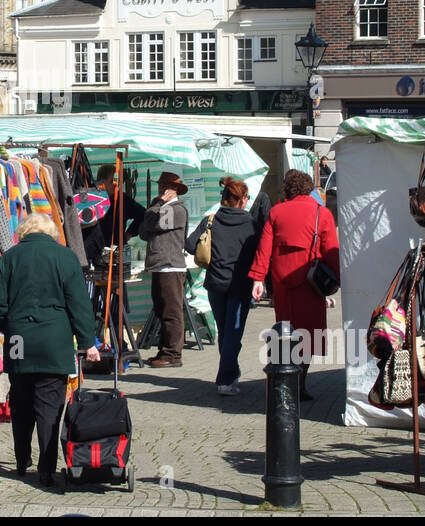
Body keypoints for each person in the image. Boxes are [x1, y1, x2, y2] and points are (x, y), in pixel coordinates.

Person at [0, 213, 100, 486]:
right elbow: (79, 305)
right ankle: (47, 468)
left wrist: (11, 325)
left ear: (24, 233)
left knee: (21, 400)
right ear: (51, 233)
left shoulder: (9, 258)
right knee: (50, 406)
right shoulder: (65, 257)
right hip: (54, 340)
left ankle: (20, 459)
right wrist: (88, 342)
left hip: (19, 341)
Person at [249, 169, 340, 400]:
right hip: (310, 281)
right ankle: (300, 381)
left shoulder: (276, 212)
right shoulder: (322, 213)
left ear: (286, 188)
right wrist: (339, 279)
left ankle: (283, 380)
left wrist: (258, 278)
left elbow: (264, 249)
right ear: (309, 188)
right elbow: (331, 251)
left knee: (284, 330)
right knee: (309, 332)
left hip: (282, 282)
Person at [185, 177, 257, 395]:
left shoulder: (210, 220)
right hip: (240, 284)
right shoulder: (251, 223)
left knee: (225, 333)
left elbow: (189, 245)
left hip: (215, 283)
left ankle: (231, 374)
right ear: (242, 200)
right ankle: (225, 380)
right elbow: (259, 253)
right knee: (233, 334)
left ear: (224, 199)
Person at [139, 172, 189, 369]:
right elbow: (144, 232)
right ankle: (164, 350)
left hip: (170, 266)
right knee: (162, 310)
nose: (162, 189)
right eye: (161, 185)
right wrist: (156, 205)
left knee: (171, 312)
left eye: (165, 186)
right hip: (161, 265)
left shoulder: (176, 209)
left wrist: (156, 204)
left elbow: (154, 225)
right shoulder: (162, 208)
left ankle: (173, 354)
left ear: (174, 190)